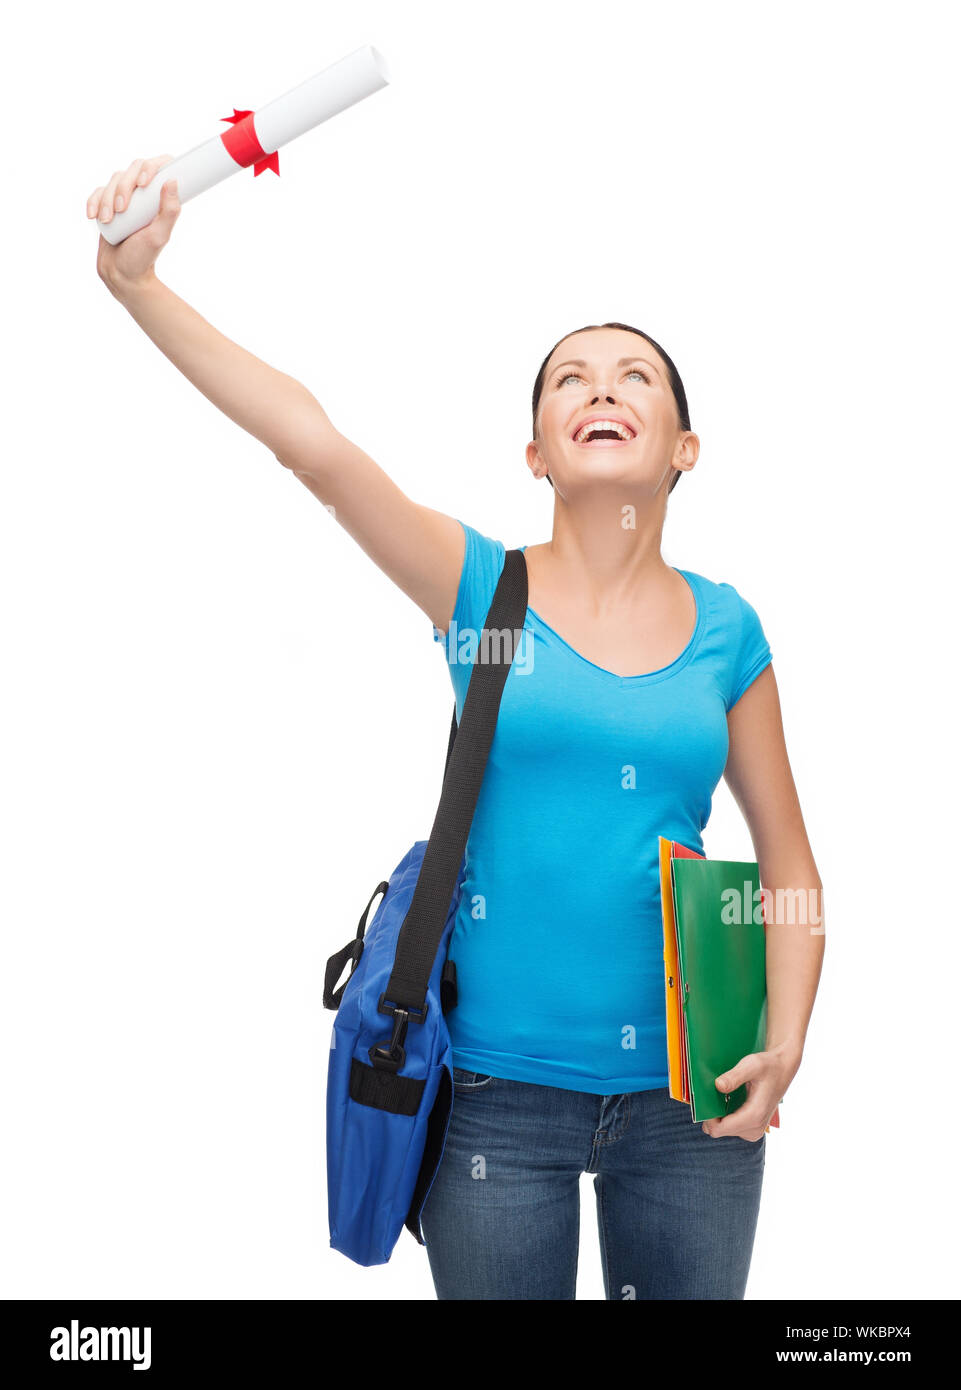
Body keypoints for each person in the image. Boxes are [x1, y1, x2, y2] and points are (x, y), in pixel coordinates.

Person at [87, 157, 825, 1301]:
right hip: (495, 1103)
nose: (600, 387)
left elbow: (788, 861)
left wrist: (785, 1041)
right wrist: (140, 287)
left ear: (683, 449)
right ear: (535, 452)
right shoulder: (479, 593)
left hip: (694, 1102)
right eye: (568, 379)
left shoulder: (730, 630)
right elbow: (316, 448)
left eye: (634, 375)